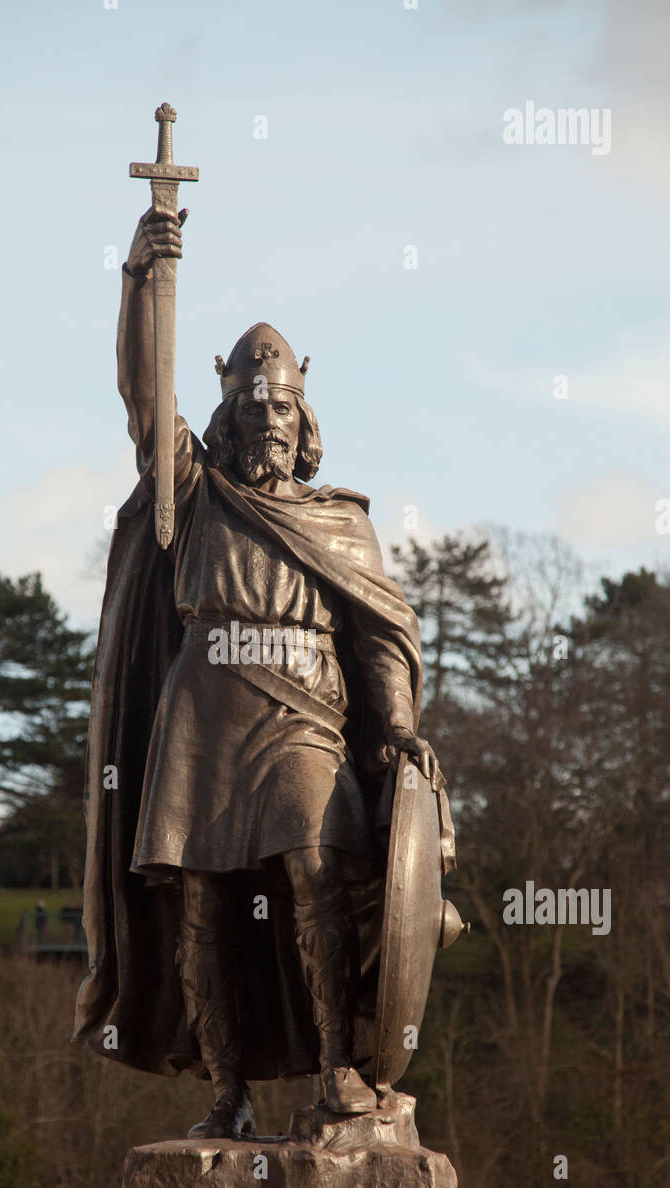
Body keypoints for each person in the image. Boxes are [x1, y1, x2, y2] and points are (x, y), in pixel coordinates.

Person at [73, 206, 442, 1140]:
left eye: (281, 406)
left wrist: (395, 725)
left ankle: (336, 1073)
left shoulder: (341, 523)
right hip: (202, 707)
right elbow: (144, 404)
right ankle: (226, 1096)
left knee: (317, 869)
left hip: (304, 712)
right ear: (228, 415)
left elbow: (380, 640)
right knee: (202, 901)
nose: (266, 420)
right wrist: (143, 281)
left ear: (302, 414)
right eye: (249, 406)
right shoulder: (197, 493)